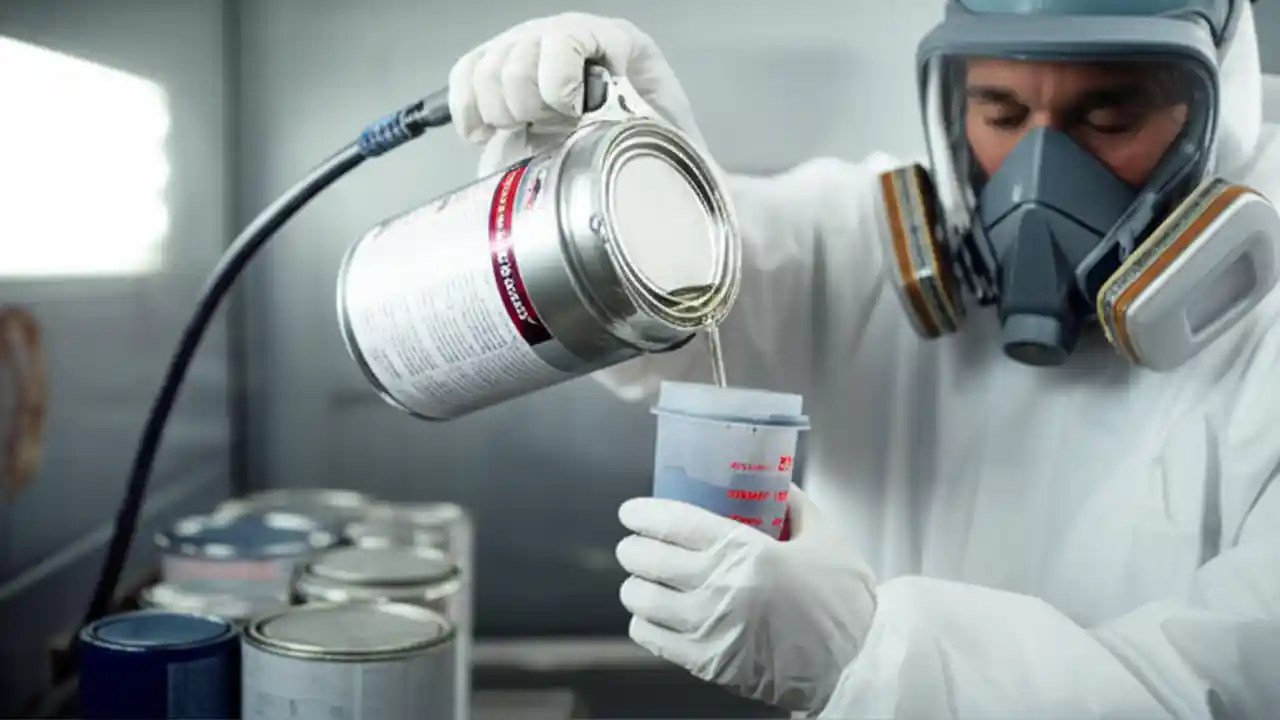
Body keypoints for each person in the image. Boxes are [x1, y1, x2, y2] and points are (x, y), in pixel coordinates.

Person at [449, 2, 1280, 717]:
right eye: (998, 113)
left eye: (1108, 121)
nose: (1035, 182)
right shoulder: (878, 242)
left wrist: (869, 660)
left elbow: (1229, 690)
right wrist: (616, 197)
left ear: (1219, 118)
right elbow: (715, 297)